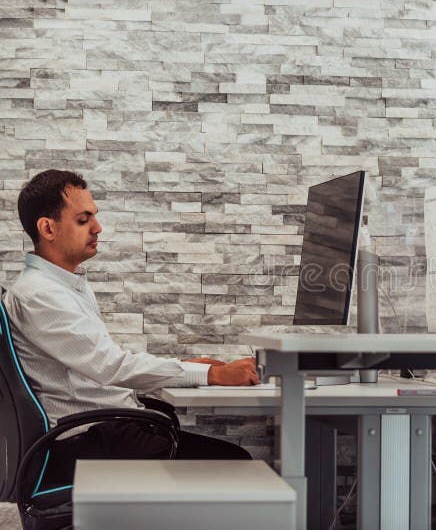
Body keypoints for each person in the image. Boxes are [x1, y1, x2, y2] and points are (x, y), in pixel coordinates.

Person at [3, 169, 261, 487]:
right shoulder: (40, 294)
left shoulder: (62, 285)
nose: (98, 228)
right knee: (238, 467)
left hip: (104, 431)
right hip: (89, 442)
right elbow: (110, 366)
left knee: (215, 453)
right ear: (48, 228)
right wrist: (210, 374)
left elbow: (100, 363)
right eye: (84, 220)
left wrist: (185, 369)